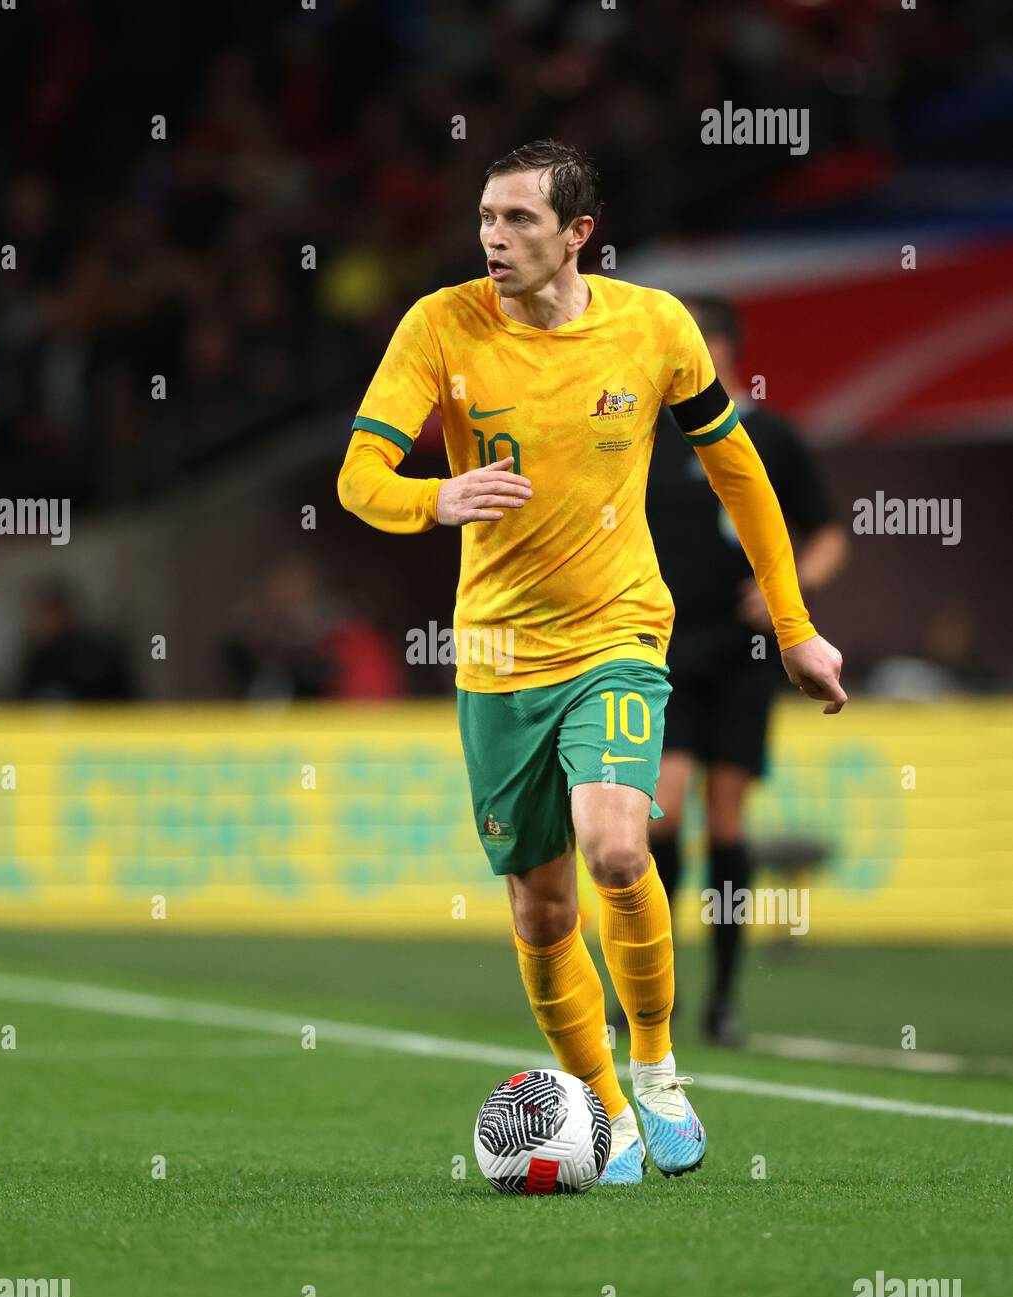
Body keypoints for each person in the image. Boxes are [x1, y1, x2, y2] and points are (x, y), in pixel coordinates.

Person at [337, 140, 846, 1185]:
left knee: (618, 846)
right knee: (541, 908)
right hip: (492, 653)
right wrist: (434, 497)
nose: (493, 236)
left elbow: (737, 468)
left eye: (520, 220)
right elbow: (357, 475)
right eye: (485, 216)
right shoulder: (439, 324)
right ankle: (604, 1111)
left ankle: (655, 1065)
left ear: (578, 234)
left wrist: (793, 625)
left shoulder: (652, 326)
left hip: (618, 632)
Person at [645, 296, 849, 1046]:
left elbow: (828, 537)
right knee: (660, 808)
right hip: (660, 647)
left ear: (721, 349)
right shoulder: (646, 435)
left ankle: (723, 997)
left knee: (725, 818)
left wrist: (788, 591)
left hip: (741, 655)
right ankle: (650, 991)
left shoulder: (767, 436)